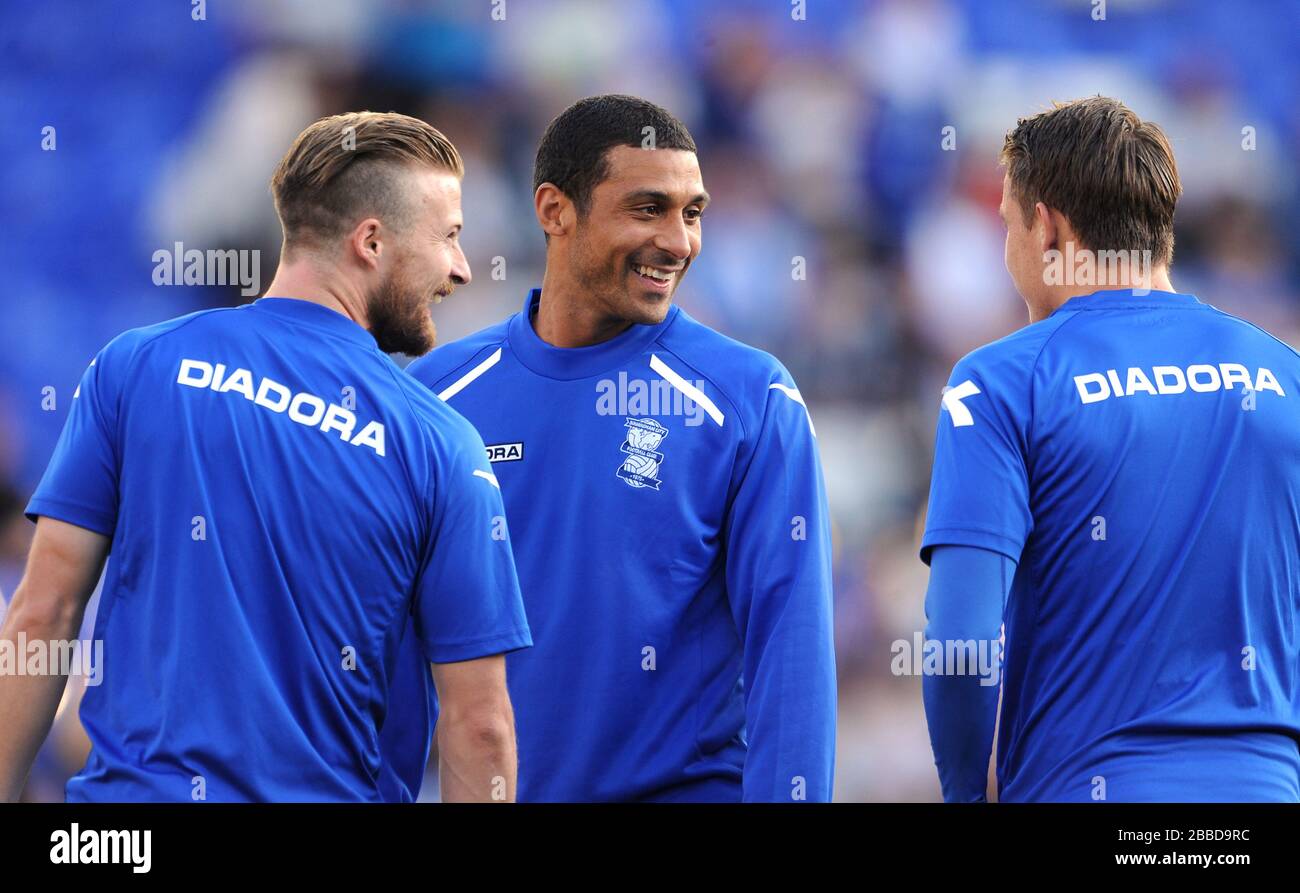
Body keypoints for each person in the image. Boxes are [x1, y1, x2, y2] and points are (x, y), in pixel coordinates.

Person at [0, 111, 531, 802]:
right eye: (451, 238)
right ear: (371, 241)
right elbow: (480, 722)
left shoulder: (136, 365)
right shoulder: (440, 445)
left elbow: (42, 616)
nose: (461, 268)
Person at [405, 94, 836, 802]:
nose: (679, 241)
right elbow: (383, 655)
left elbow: (793, 659)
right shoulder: (435, 398)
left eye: (692, 213)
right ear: (554, 210)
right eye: (648, 209)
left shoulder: (749, 398)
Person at [921, 96, 1300, 802]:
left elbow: (962, 643)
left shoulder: (1001, 381)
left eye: (1006, 227)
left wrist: (966, 792)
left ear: (1047, 227)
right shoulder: (1284, 375)